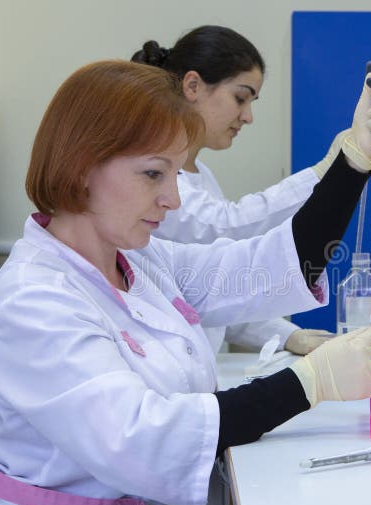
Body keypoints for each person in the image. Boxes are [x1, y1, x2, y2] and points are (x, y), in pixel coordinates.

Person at [0, 59, 371, 505]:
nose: (173, 200)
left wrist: (354, 163)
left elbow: (267, 266)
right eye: (153, 174)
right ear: (81, 168)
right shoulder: (32, 301)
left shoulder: (140, 261)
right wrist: (309, 382)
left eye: (176, 175)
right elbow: (145, 438)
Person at [131, 26, 342, 356]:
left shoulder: (201, 175)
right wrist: (325, 173)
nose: (248, 117)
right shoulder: (146, 174)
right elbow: (227, 227)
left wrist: (288, 336)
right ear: (193, 85)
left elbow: (215, 291)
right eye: (240, 98)